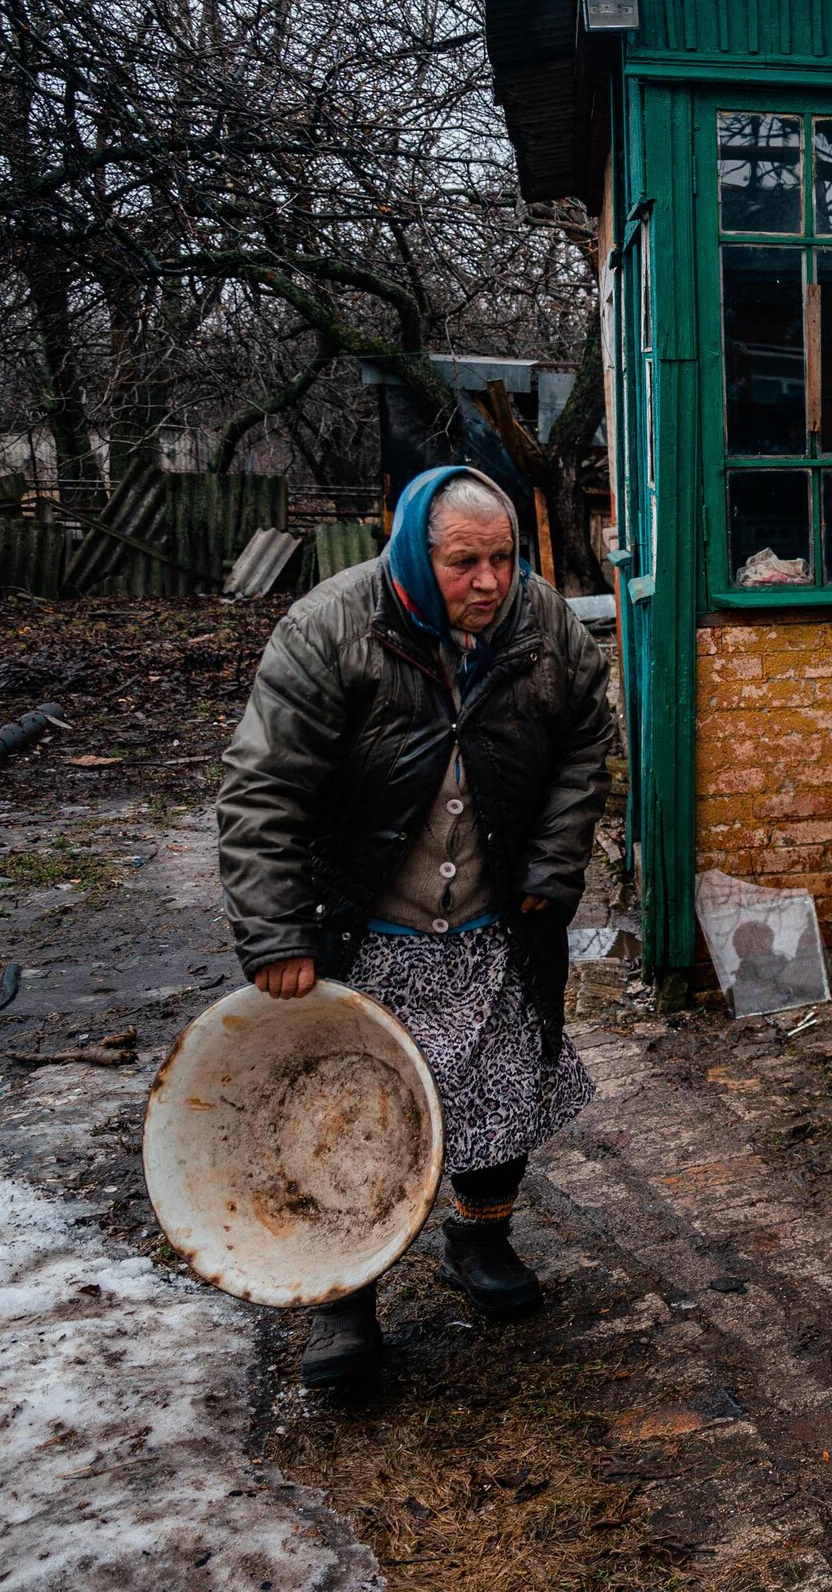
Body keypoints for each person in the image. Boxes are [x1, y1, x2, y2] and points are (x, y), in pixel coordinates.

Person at [216, 465, 615, 1388]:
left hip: (491, 916)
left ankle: (479, 1245)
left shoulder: (542, 623)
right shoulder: (331, 627)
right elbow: (262, 788)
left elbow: (587, 736)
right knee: (350, 1115)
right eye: (463, 561)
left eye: (504, 558)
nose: (489, 581)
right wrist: (277, 933)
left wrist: (554, 866)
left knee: (501, 1082)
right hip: (364, 927)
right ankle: (343, 1302)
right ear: (410, 553)